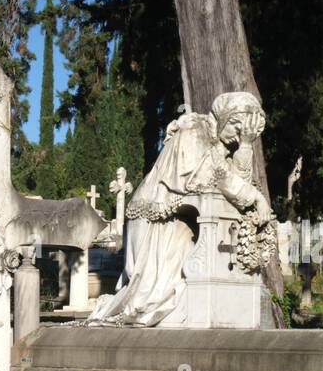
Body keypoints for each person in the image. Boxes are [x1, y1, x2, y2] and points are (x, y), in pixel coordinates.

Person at [87, 92, 271, 327]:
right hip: (157, 221)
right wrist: (256, 197)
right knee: (154, 294)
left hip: (180, 218)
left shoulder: (222, 145)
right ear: (223, 118)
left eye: (245, 132)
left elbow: (237, 184)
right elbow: (212, 179)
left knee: (187, 269)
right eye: (237, 127)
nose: (238, 136)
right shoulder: (193, 133)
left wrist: (246, 146)